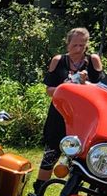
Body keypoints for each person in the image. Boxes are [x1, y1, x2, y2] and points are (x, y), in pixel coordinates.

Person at [40, 27, 103, 171]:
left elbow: (101, 90)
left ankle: (72, 189)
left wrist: (84, 84)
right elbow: (49, 90)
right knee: (50, 155)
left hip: (83, 117)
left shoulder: (93, 60)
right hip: (60, 114)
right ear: (67, 44)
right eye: (75, 45)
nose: (79, 48)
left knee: (79, 160)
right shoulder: (58, 60)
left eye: (82, 45)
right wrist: (66, 87)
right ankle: (39, 190)